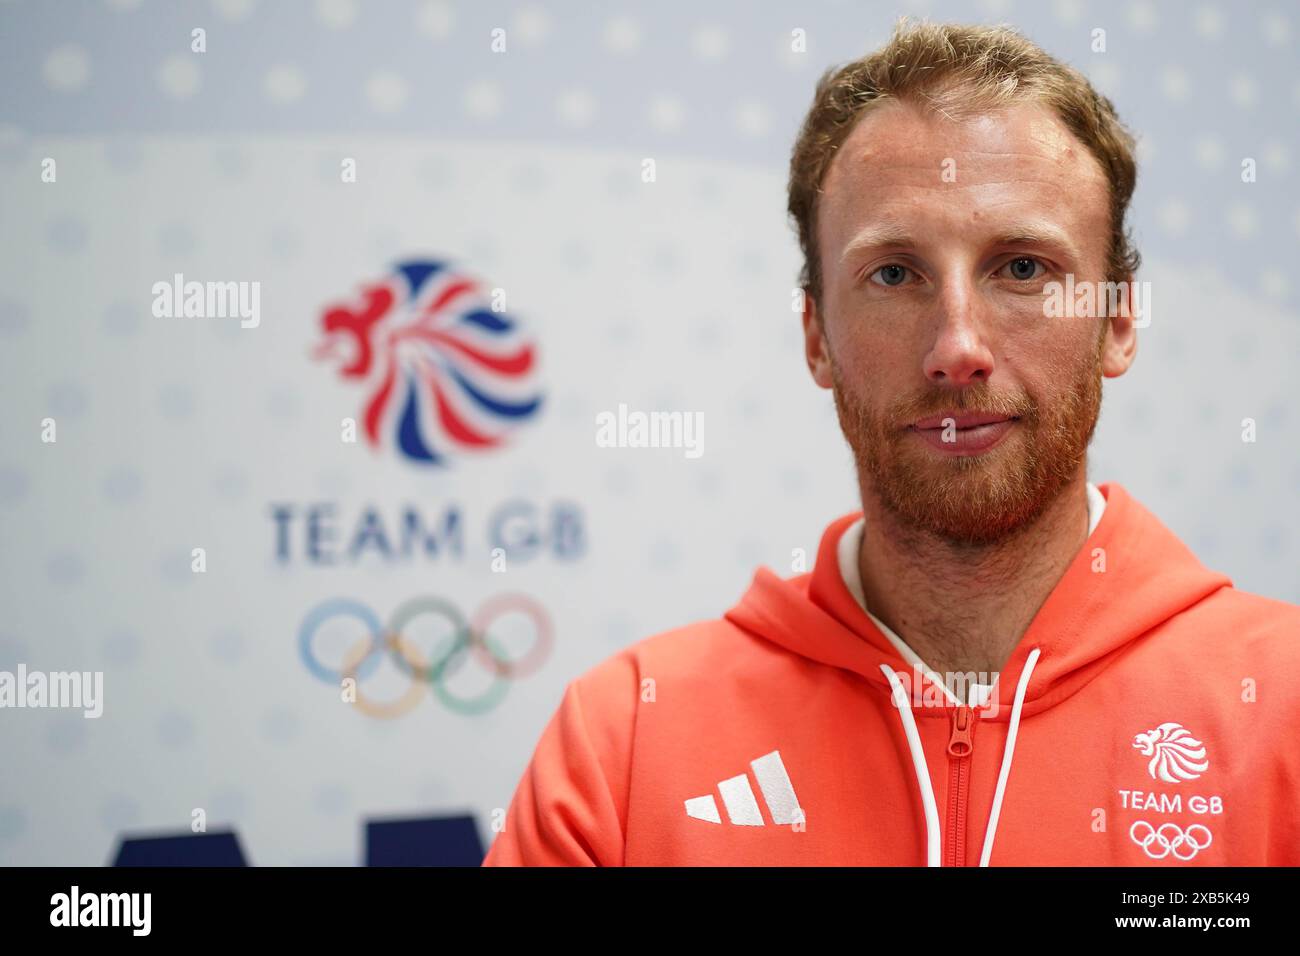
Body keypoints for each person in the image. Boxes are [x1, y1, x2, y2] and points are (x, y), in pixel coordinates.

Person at [482, 20, 1300, 866]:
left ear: (1118, 320)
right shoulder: (625, 742)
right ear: (816, 338)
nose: (957, 349)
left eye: (1022, 268)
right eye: (895, 274)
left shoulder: (1283, 706)